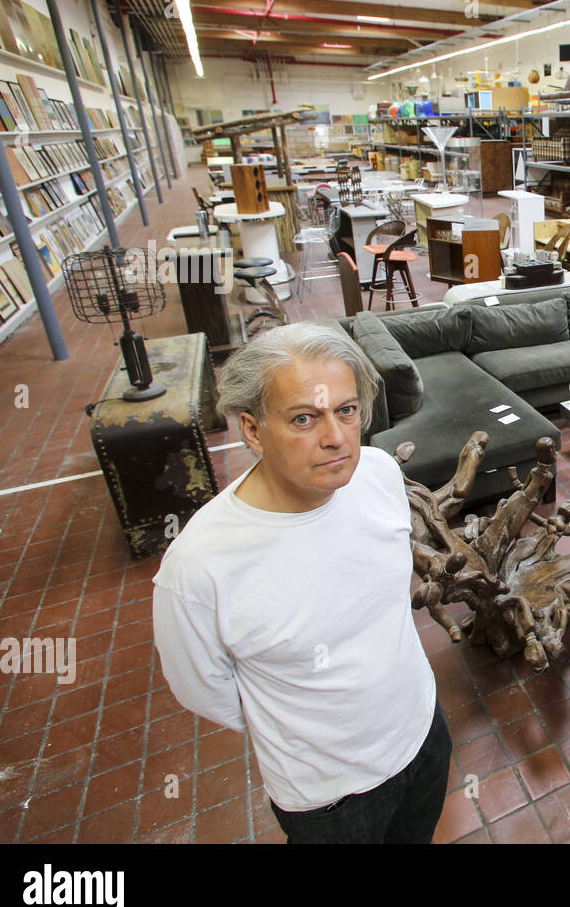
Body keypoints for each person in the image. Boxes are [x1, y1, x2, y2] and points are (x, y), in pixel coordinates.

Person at [152, 323, 450, 843]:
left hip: (424, 732)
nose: (335, 437)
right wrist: (301, 724)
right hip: (330, 798)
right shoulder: (199, 567)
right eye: (304, 418)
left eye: (347, 410)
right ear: (252, 429)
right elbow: (203, 690)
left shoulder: (377, 474)